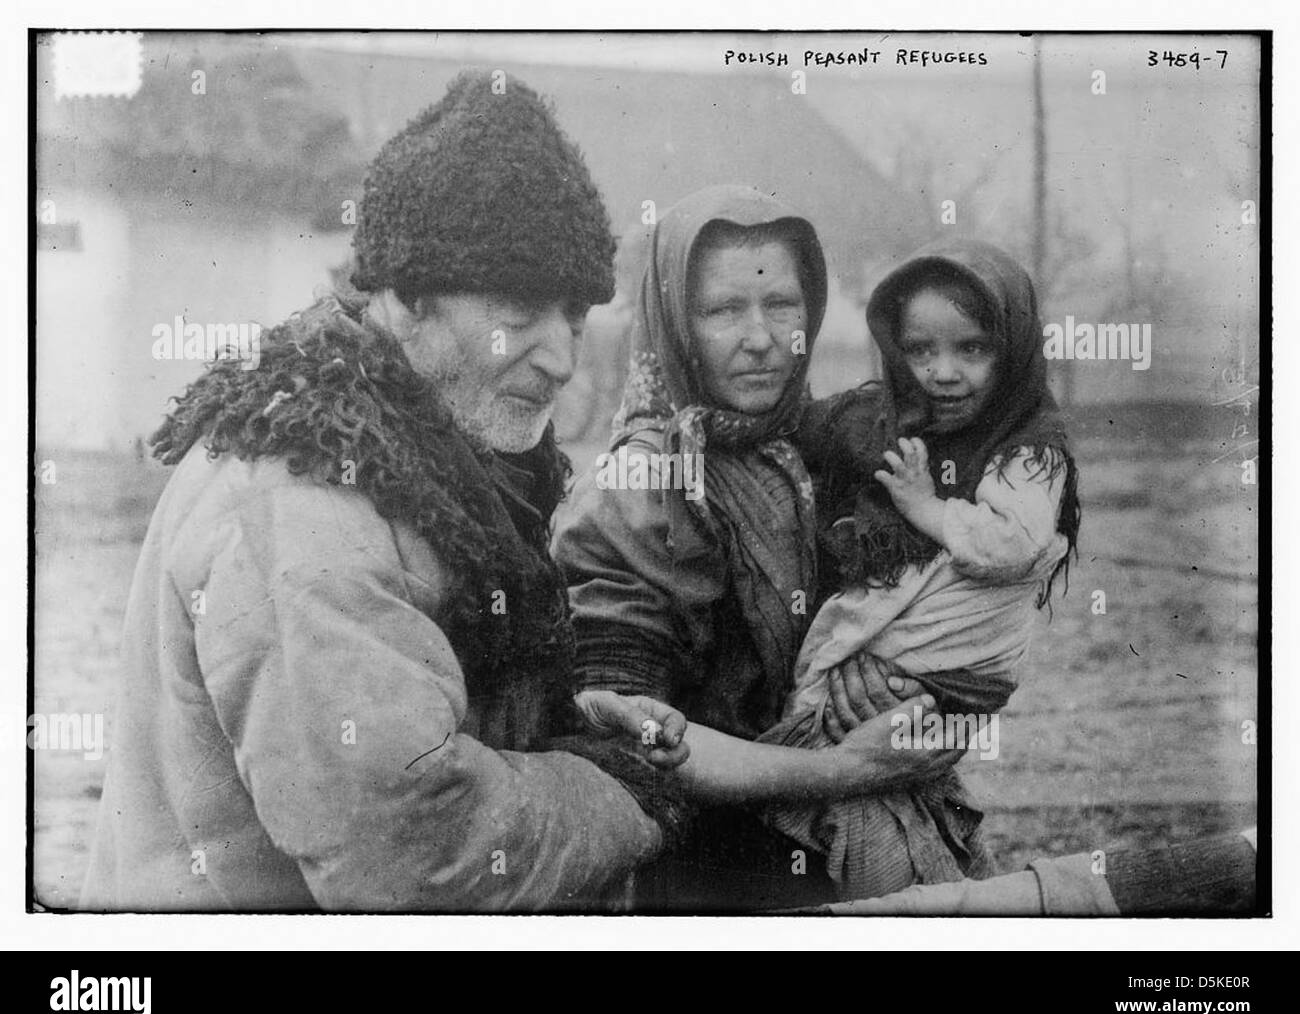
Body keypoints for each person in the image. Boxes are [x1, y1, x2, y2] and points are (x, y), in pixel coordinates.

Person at [79, 71, 693, 912]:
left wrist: (559, 726)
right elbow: (415, 857)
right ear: (406, 299)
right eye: (519, 310)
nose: (560, 359)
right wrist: (610, 792)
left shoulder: (412, 460)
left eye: (577, 321)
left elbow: (405, 713)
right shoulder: (300, 509)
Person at [555, 185, 965, 910]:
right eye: (720, 311)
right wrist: (847, 770)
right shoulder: (642, 486)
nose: (761, 338)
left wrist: (900, 692)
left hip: (825, 826)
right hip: (697, 865)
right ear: (673, 323)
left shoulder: (821, 447)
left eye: (782, 305)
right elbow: (629, 749)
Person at [758, 239, 1083, 899]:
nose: (944, 372)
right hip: (879, 678)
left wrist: (928, 506)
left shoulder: (1027, 449)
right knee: (854, 785)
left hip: (944, 678)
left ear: (1013, 350)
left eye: (973, 349)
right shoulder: (878, 422)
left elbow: (1010, 548)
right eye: (921, 350)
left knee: (880, 798)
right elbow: (802, 433)